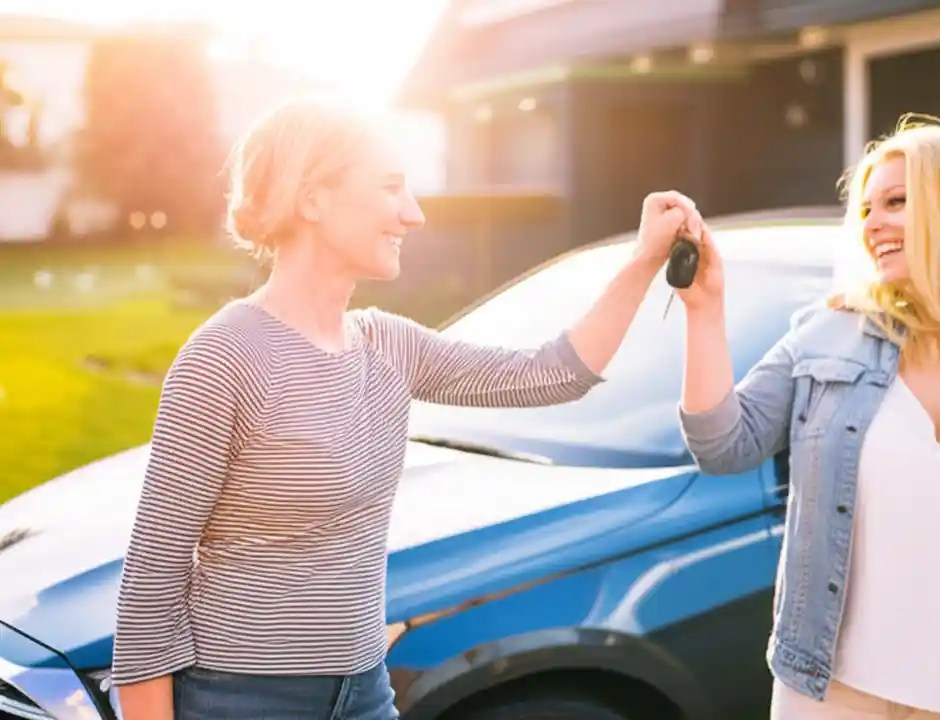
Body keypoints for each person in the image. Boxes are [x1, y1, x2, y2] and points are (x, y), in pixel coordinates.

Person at [109, 96, 706, 720]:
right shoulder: (225, 357)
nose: (413, 214)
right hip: (246, 700)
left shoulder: (387, 344)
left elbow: (554, 372)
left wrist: (643, 261)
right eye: (391, 188)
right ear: (312, 199)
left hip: (364, 691)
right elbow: (151, 583)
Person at [677, 119, 940, 720]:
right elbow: (723, 444)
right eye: (867, 208)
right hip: (829, 692)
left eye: (897, 202)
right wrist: (704, 309)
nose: (873, 222)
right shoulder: (831, 331)